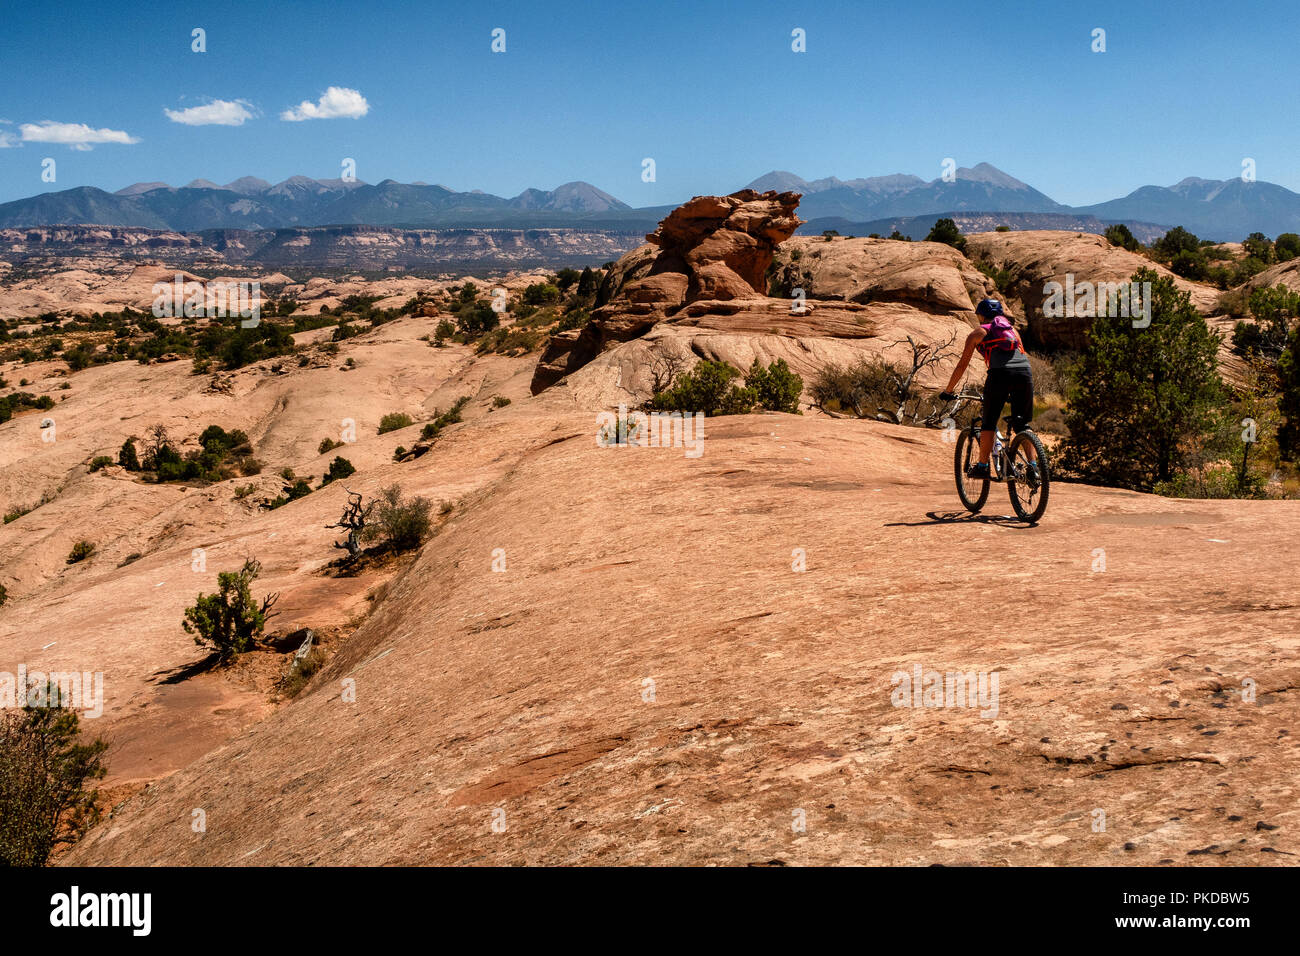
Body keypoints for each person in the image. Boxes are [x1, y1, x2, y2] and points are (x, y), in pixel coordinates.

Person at [939, 298, 1036, 480]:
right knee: (1023, 424)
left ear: (981, 315)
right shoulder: (1013, 331)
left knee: (989, 422)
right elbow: (1021, 354)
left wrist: (949, 390)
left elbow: (962, 365)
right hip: (1024, 374)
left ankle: (983, 466)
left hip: (999, 375)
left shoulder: (978, 333)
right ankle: (1034, 468)